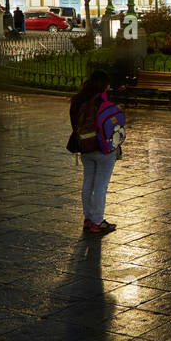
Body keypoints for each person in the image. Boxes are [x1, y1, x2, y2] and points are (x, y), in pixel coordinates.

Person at [67, 70, 119, 235]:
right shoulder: (103, 100)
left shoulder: (77, 100)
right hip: (103, 149)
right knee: (101, 185)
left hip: (84, 147)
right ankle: (98, 221)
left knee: (88, 182)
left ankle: (88, 219)